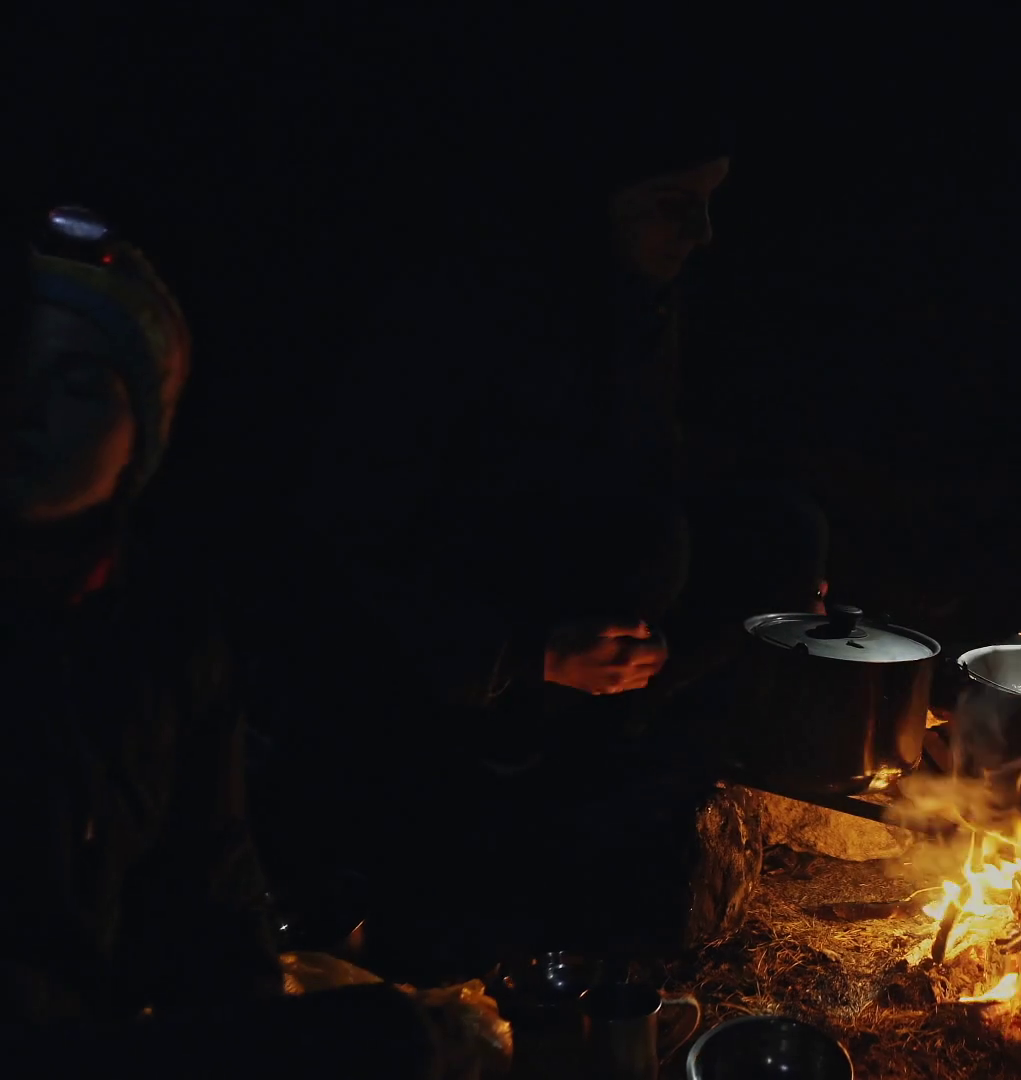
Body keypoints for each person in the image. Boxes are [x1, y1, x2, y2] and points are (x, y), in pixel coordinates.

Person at [253, 57, 826, 980]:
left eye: (712, 200)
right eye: (674, 203)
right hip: (456, 689)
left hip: (582, 655)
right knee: (455, 937)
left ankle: (623, 799)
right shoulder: (452, 320)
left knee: (784, 539)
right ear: (593, 199)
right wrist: (529, 659)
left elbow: (635, 461)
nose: (704, 233)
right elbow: (345, 560)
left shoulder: (635, 301)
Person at [0, 205, 468, 1078]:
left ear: (144, 431)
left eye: (77, 383)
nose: (29, 408)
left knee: (388, 1039)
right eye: (12, 370)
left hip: (84, 1033)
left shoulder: (161, 628)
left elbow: (207, 888)